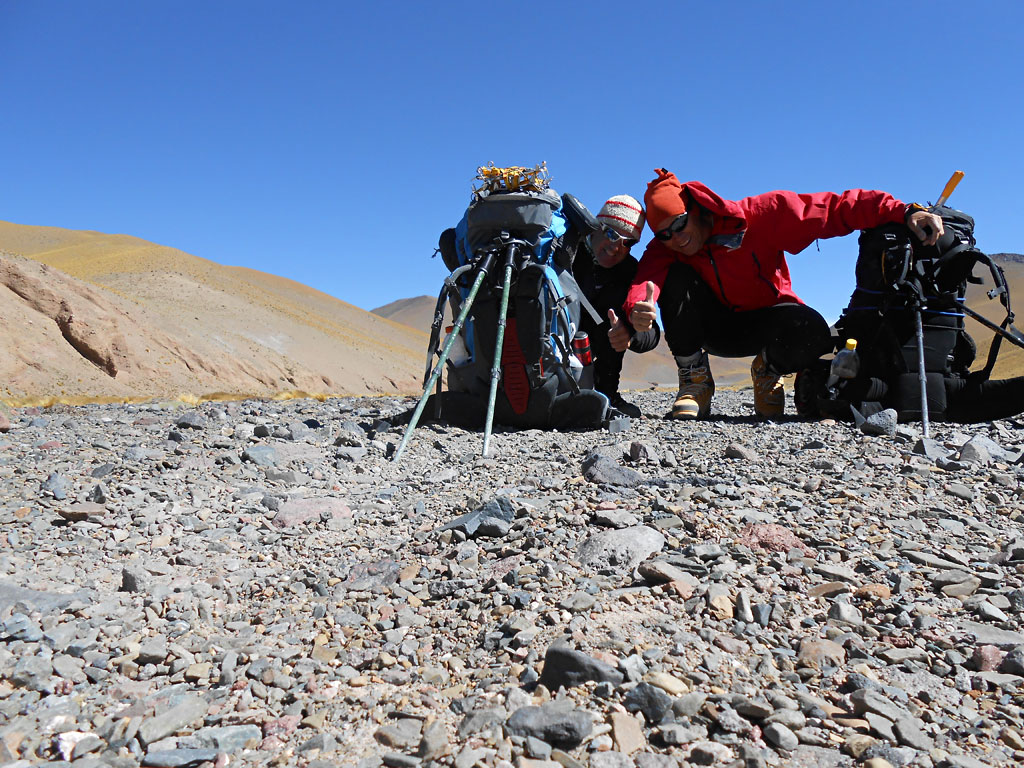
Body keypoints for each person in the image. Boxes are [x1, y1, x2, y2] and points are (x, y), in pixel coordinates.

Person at [621, 168, 945, 420]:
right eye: (663, 234)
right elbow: (644, 282)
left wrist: (903, 211)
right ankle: (695, 380)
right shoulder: (664, 250)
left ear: (697, 208)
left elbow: (834, 208)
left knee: (813, 331)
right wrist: (638, 307)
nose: (674, 238)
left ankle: (768, 371)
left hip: (767, 324)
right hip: (714, 329)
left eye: (678, 225)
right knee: (674, 276)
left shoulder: (762, 215)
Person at [570, 195, 661, 419]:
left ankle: (606, 394)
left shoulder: (630, 272)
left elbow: (652, 335)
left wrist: (632, 331)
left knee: (616, 320)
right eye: (611, 234)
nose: (615, 247)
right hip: (553, 348)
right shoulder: (566, 253)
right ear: (596, 226)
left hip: (598, 357)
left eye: (628, 243)